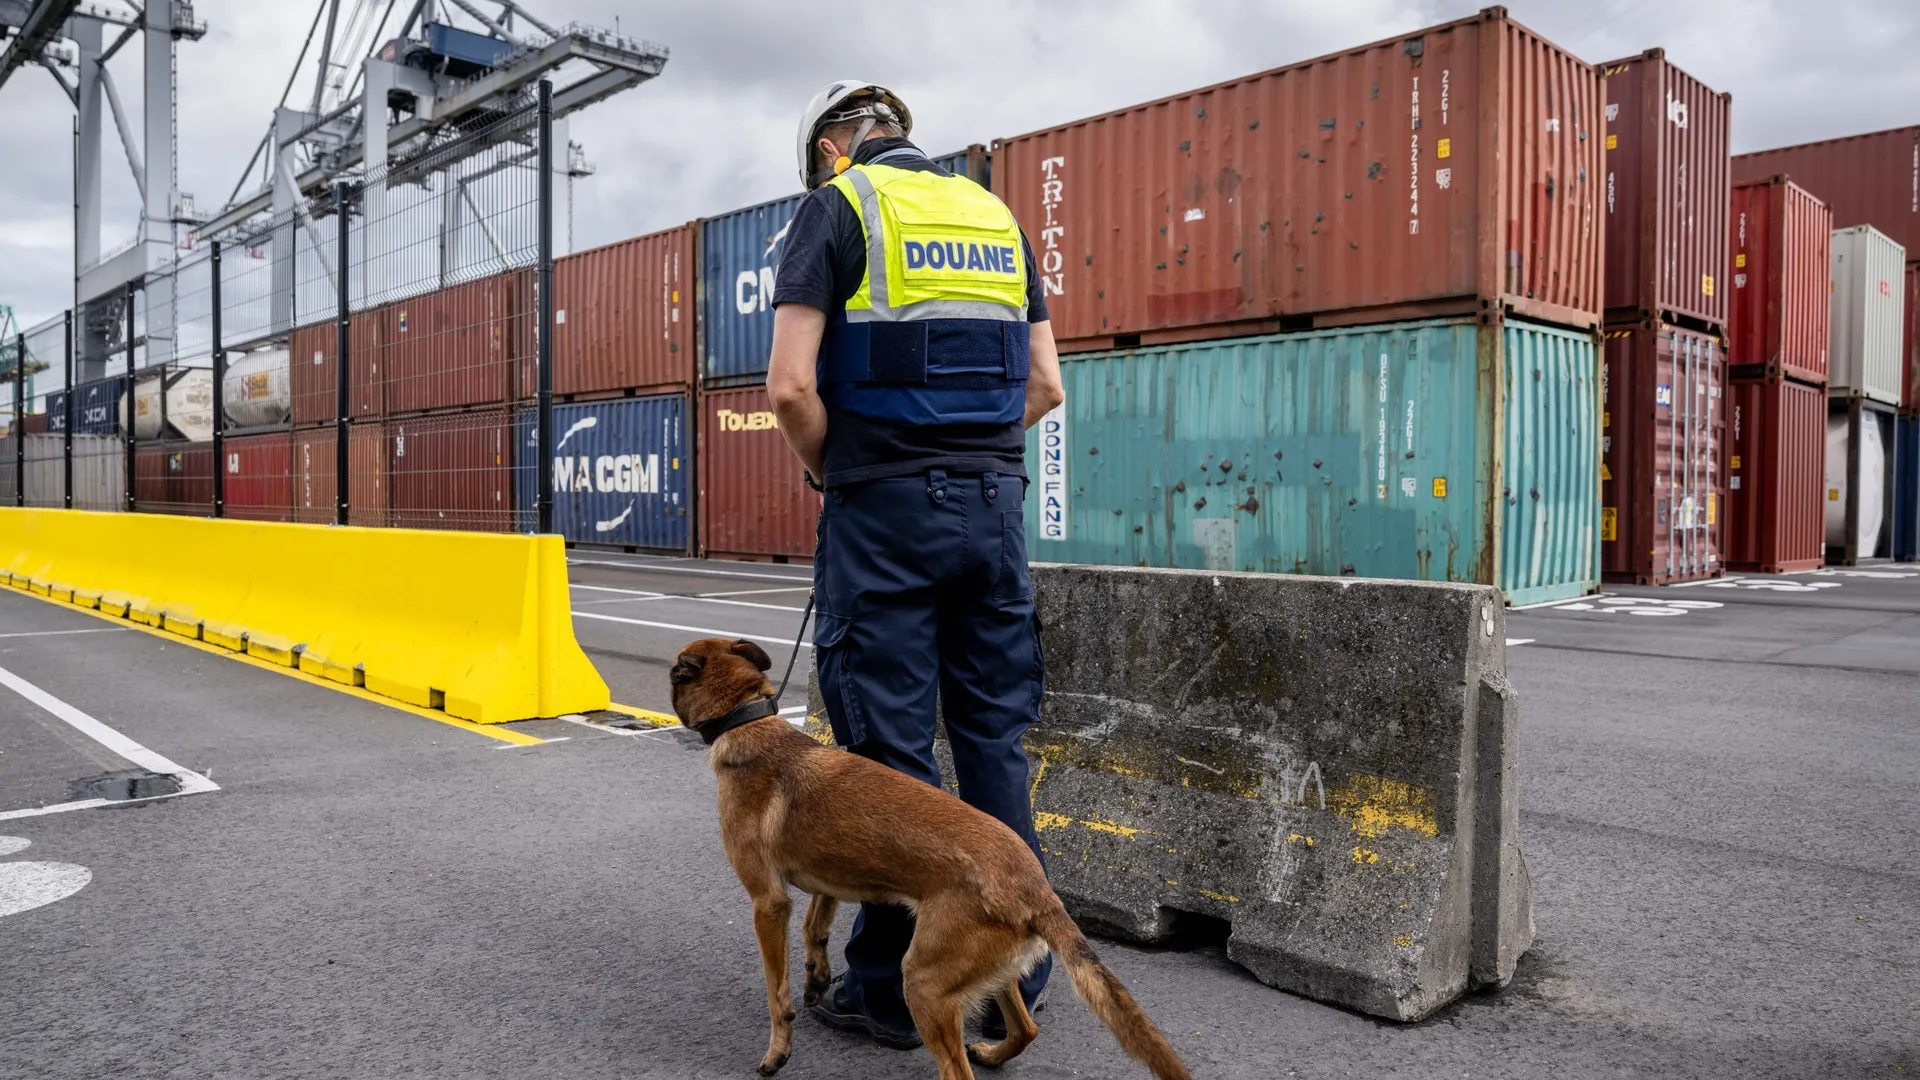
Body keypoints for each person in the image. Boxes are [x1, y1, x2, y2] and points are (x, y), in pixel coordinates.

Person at [765, 79, 1065, 1051]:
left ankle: (892, 993)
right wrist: (971, 456)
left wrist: (837, 469)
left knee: (888, 757)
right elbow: (1047, 385)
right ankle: (1019, 963)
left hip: (885, 514)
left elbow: (790, 386)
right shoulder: (995, 215)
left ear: (830, 148)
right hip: (995, 512)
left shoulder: (836, 205)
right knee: (991, 740)